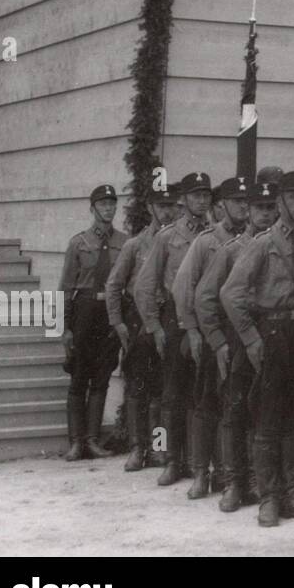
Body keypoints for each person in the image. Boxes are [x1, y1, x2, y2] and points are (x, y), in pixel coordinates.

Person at [221, 171, 294, 527]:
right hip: (273, 333)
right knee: (268, 419)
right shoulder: (262, 243)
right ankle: (269, 497)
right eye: (293, 198)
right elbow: (231, 293)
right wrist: (252, 339)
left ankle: (292, 494)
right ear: (281, 201)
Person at [194, 179, 279, 512]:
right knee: (234, 409)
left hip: (272, 337)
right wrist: (217, 342)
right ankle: (233, 482)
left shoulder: (279, 249)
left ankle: (259, 480)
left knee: (265, 412)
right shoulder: (231, 250)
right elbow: (204, 299)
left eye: (269, 207)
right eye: (256, 207)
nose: (261, 213)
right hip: (238, 339)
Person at [171, 176, 250, 499]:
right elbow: (184, 289)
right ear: (222, 206)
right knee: (206, 403)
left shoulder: (253, 240)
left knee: (234, 403)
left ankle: (228, 473)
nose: (243, 208)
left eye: (247, 202)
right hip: (210, 331)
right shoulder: (206, 241)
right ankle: (201, 473)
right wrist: (193, 331)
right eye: (236, 202)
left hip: (240, 333)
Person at [134, 172, 214, 485]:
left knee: (203, 394)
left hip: (208, 319)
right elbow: (145, 285)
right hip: (174, 321)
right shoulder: (168, 237)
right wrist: (154, 326)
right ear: (184, 199)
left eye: (206, 195)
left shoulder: (216, 234)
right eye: (196, 195)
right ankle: (170, 459)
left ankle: (200, 463)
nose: (202, 201)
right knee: (171, 394)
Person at [105, 183, 180, 471]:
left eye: (173, 206)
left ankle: (159, 448)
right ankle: (137, 449)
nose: (168, 212)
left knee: (163, 391)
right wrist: (118, 323)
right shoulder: (135, 245)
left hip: (169, 320)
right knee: (137, 390)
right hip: (140, 323)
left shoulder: (180, 242)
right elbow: (113, 286)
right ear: (151, 209)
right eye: (162, 206)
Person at [59, 184, 127, 460]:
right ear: (92, 208)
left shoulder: (125, 242)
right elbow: (65, 287)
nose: (108, 208)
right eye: (102, 204)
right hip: (84, 311)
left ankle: (92, 440)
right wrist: (64, 327)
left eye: (112, 204)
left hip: (109, 312)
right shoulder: (79, 243)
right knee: (79, 377)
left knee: (101, 377)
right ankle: (76, 442)